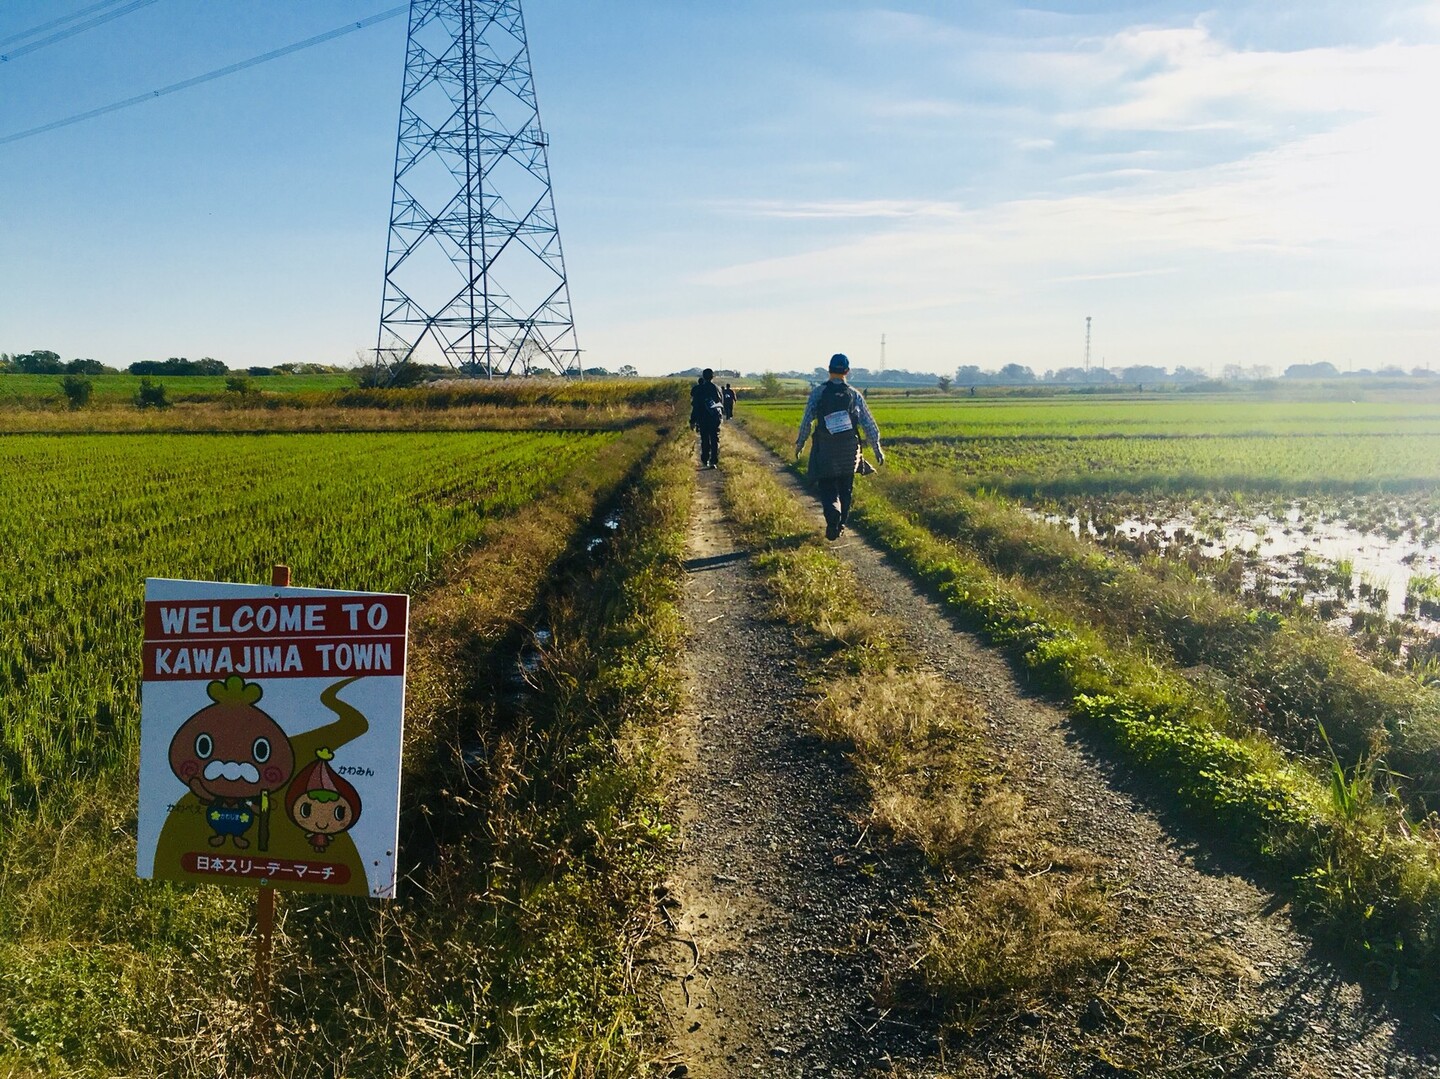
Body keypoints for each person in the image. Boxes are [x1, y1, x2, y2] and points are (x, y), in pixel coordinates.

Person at [795, 353, 884, 539]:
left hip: (826, 450)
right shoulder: (854, 394)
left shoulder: (818, 393)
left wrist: (801, 443)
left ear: (829, 370)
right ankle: (841, 524)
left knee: (827, 486)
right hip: (850, 451)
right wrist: (877, 449)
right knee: (846, 488)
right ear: (847, 371)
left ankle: (832, 513)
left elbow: (806, 421)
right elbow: (868, 423)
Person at [689, 368, 725, 469]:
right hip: (715, 418)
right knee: (715, 438)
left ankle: (705, 459)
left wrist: (692, 420)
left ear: (703, 377)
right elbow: (721, 404)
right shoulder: (718, 388)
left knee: (705, 439)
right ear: (713, 376)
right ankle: (714, 460)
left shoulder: (700, 389)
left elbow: (696, 406)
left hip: (703, 417)